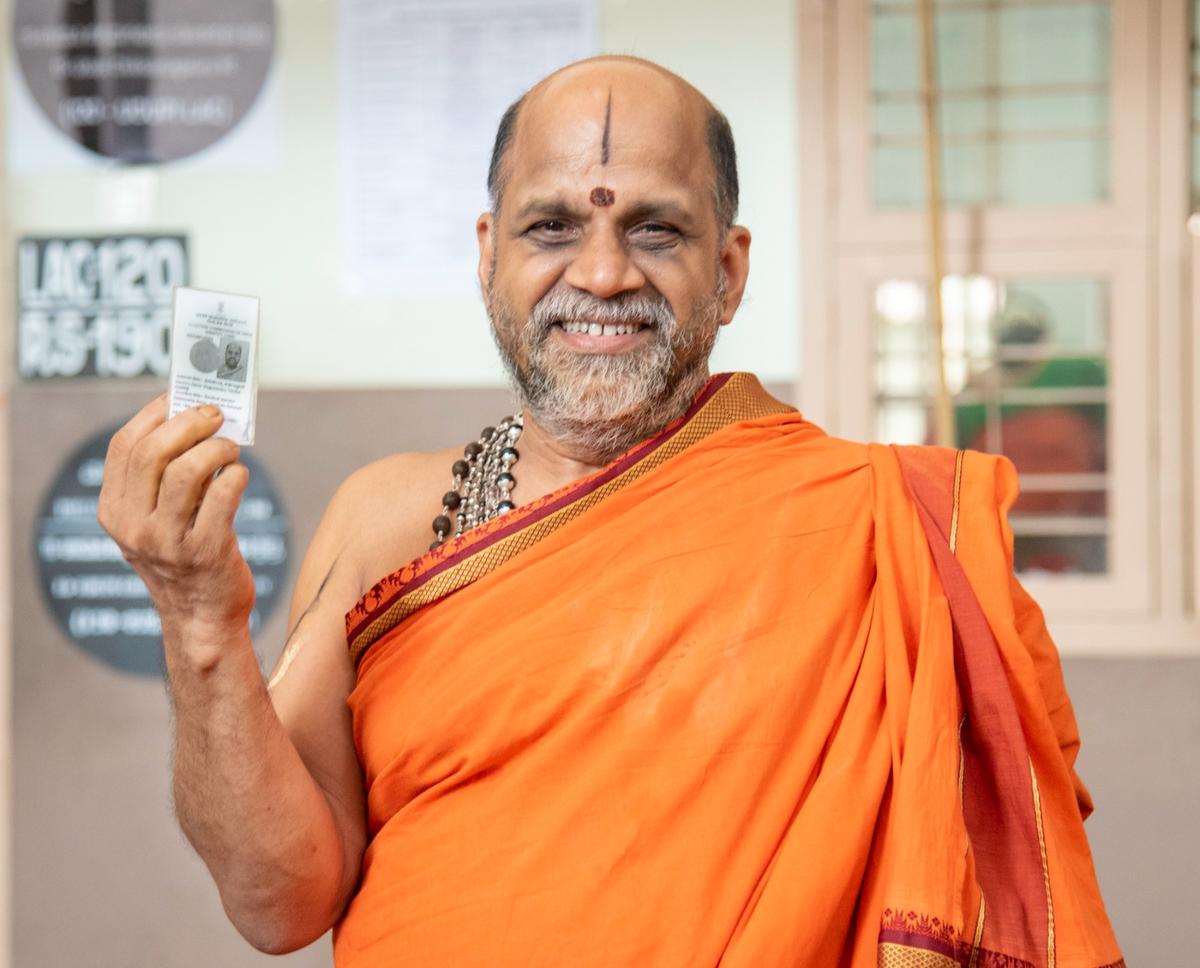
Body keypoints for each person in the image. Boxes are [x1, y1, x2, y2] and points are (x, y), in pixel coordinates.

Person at [96, 56, 1123, 967]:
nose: (600, 273)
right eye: (553, 225)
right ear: (489, 251)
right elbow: (279, 900)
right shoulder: (386, 520)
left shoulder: (871, 525)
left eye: (655, 227)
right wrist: (198, 623)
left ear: (728, 270)